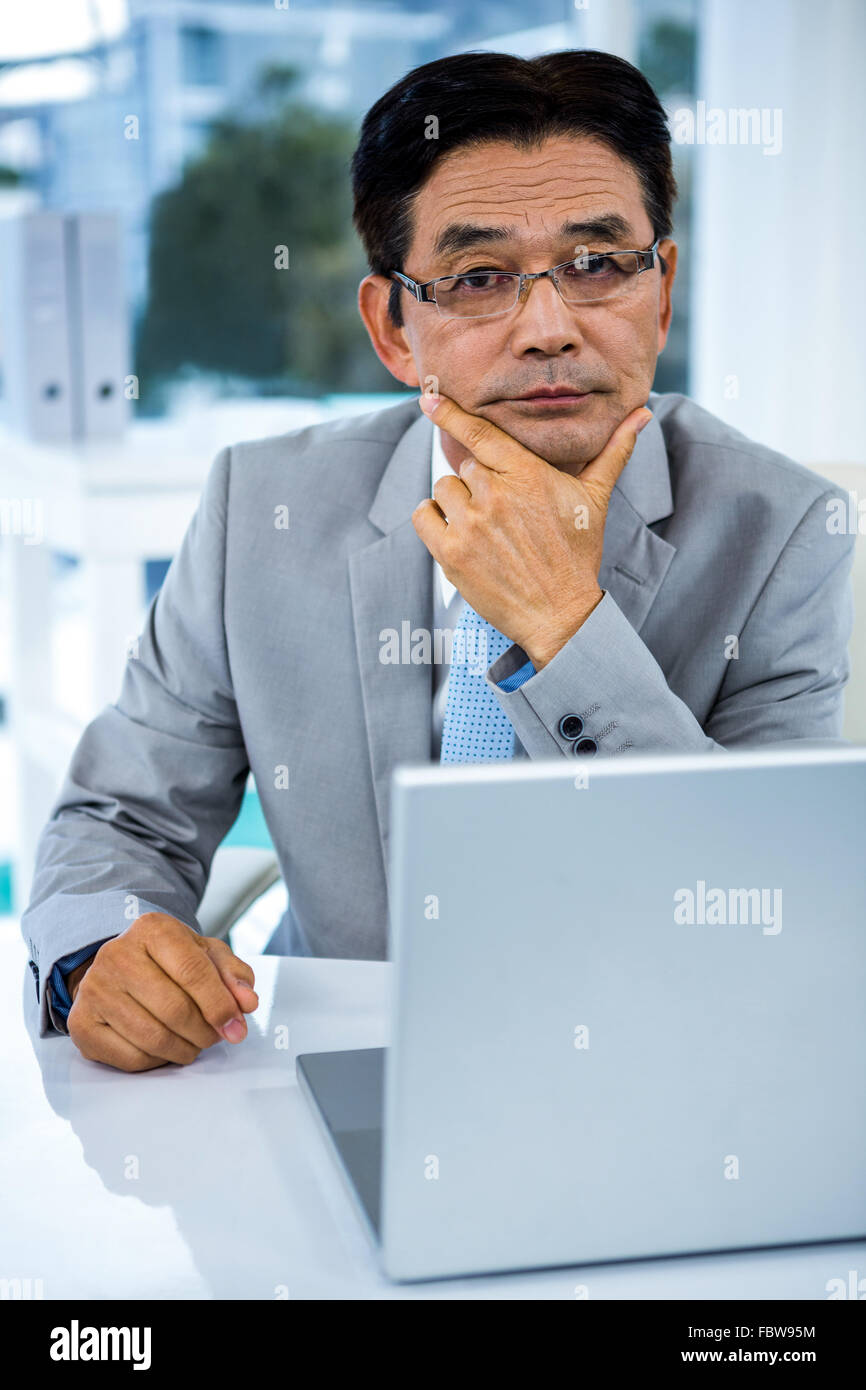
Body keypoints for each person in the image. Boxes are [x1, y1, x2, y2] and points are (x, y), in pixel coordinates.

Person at [22, 50, 855, 1071]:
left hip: (647, 1076)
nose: (549, 329)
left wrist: (564, 629)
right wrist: (98, 956)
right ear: (391, 327)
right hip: (323, 1062)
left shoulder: (778, 531)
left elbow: (761, 922)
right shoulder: (262, 507)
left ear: (661, 289)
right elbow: (122, 814)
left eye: (596, 265)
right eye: (477, 279)